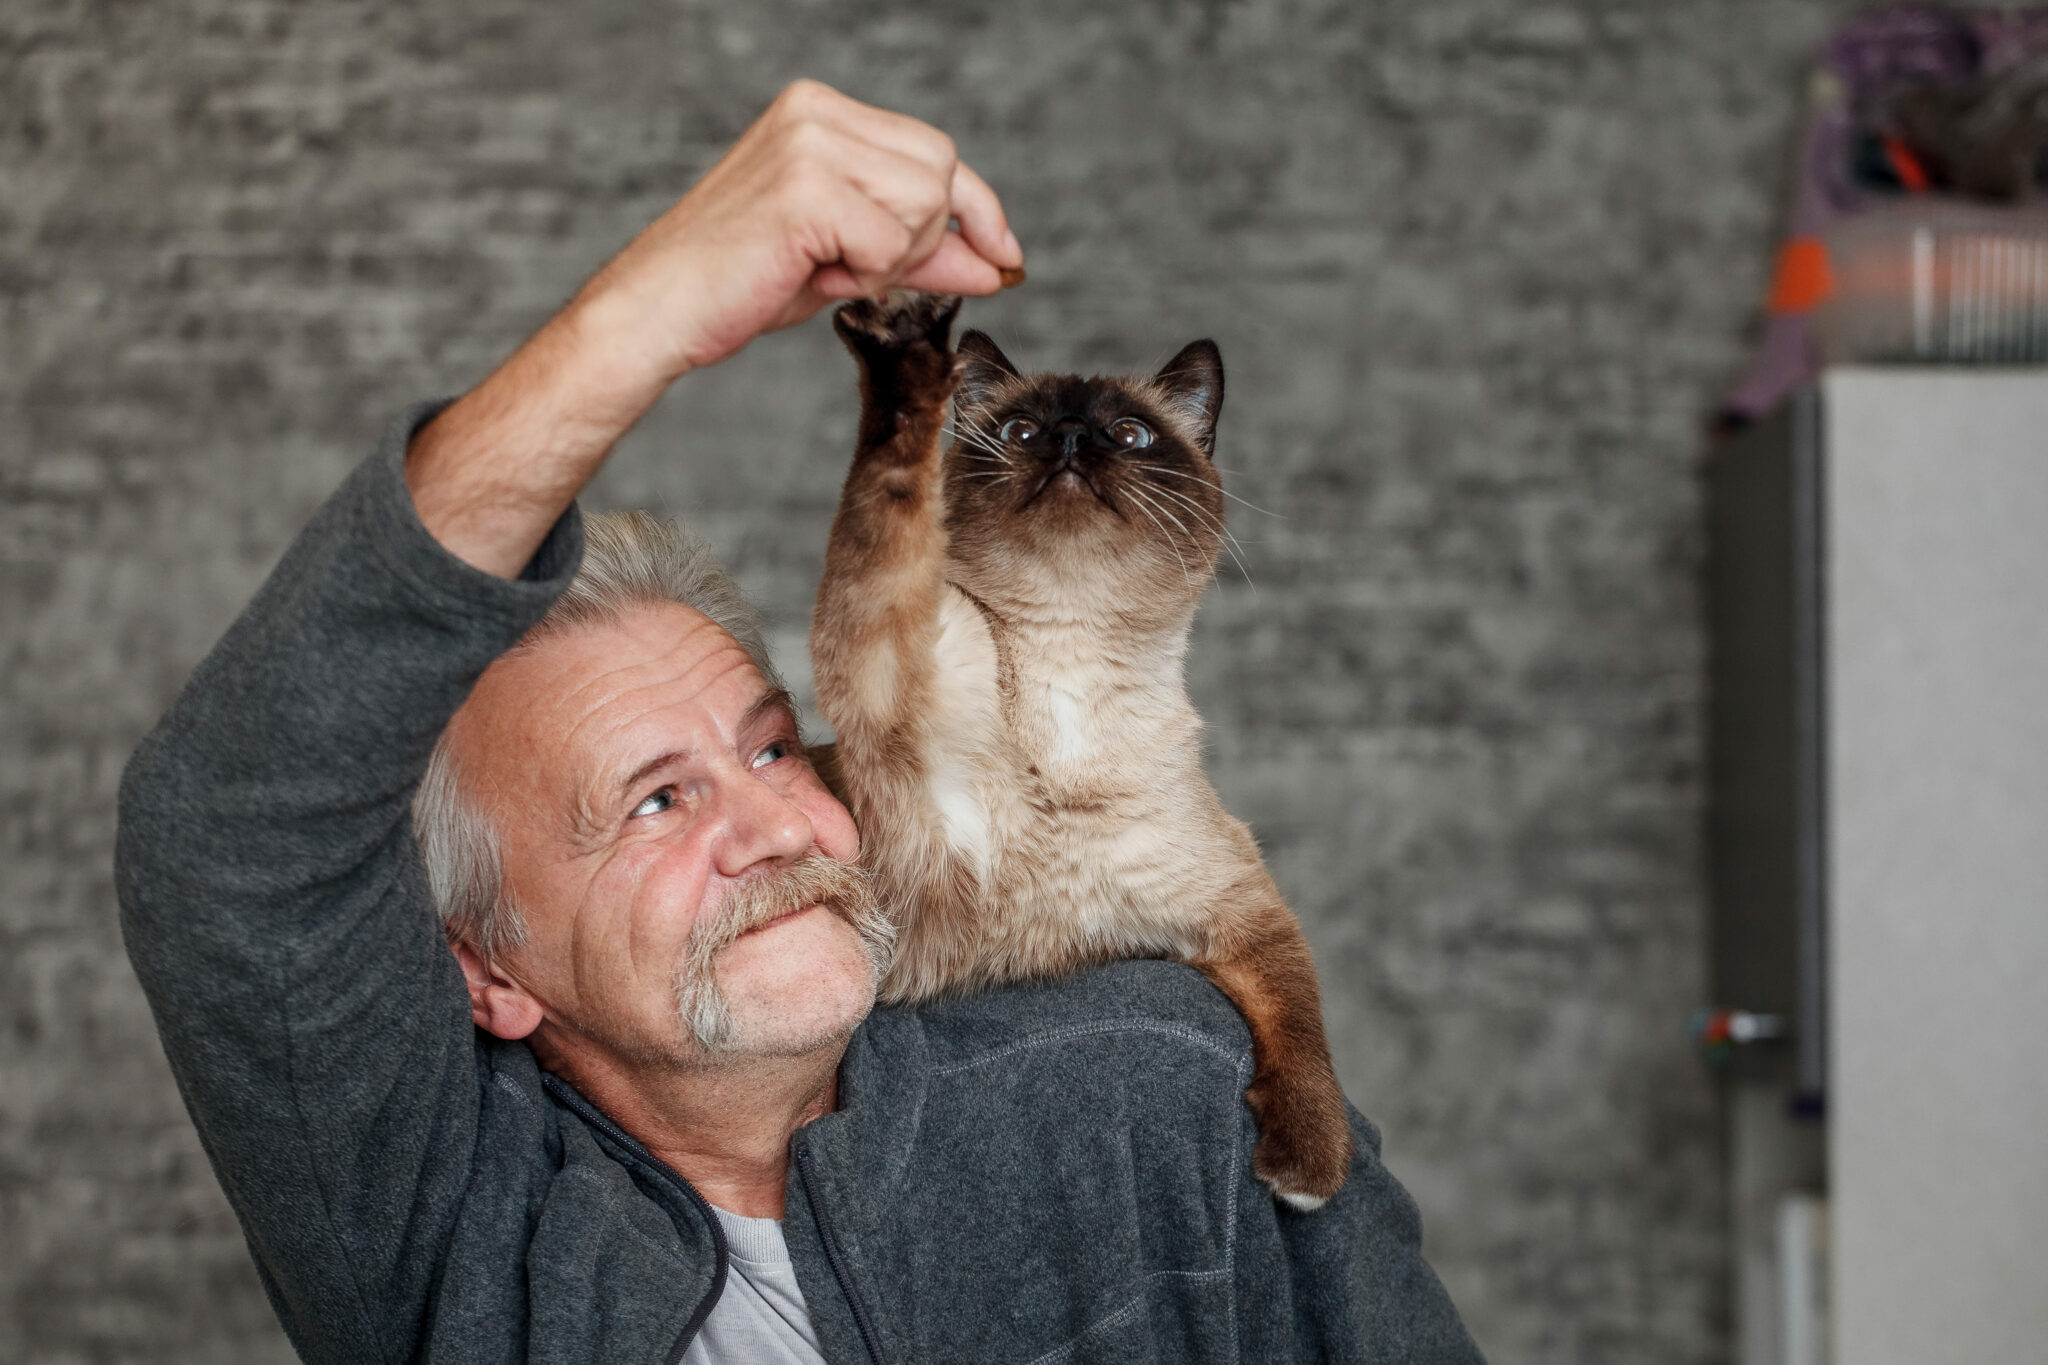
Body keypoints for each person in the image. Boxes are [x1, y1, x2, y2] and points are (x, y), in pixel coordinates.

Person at [116, 80, 1483, 1364]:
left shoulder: (1167, 1077)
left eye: (772, 747)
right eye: (656, 798)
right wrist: (653, 308)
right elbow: (224, 837)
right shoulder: (455, 1239)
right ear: (485, 968)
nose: (775, 822)